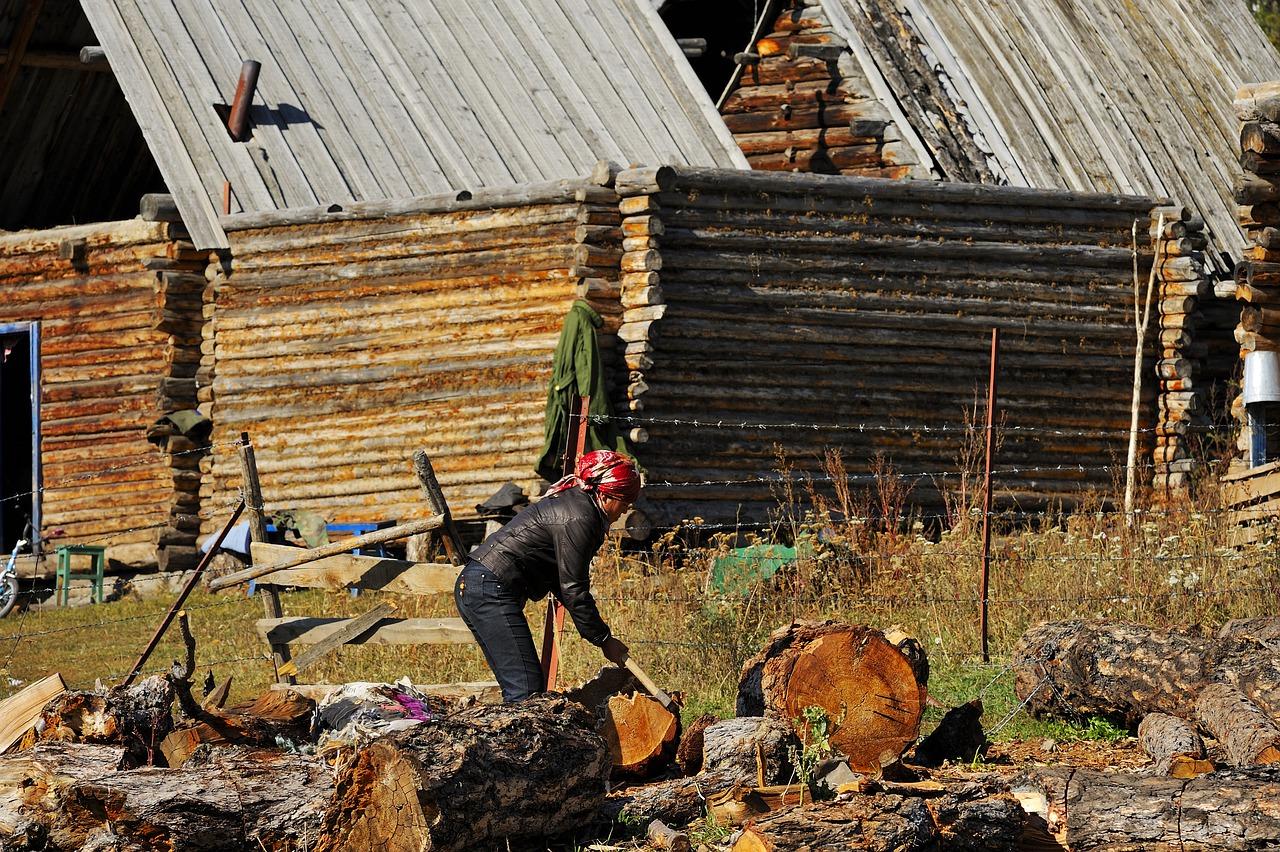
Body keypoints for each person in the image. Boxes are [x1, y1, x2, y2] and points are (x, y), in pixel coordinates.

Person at [454, 450, 640, 702]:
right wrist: (604, 639)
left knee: (523, 686)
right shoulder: (580, 517)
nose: (626, 509)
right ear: (607, 495)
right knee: (526, 689)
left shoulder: (579, 507)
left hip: (482, 585)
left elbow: (563, 583)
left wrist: (600, 636)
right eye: (625, 501)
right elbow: (574, 588)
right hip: (488, 587)